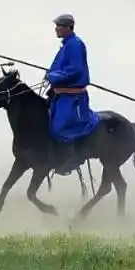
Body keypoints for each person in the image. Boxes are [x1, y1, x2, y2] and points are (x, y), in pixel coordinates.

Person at [46, 13, 100, 174]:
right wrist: (51, 73)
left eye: (59, 26)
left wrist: (53, 76)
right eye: (56, 26)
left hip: (73, 97)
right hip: (61, 95)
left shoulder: (75, 45)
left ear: (69, 28)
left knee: (59, 128)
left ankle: (73, 159)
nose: (56, 29)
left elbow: (75, 70)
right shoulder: (67, 44)